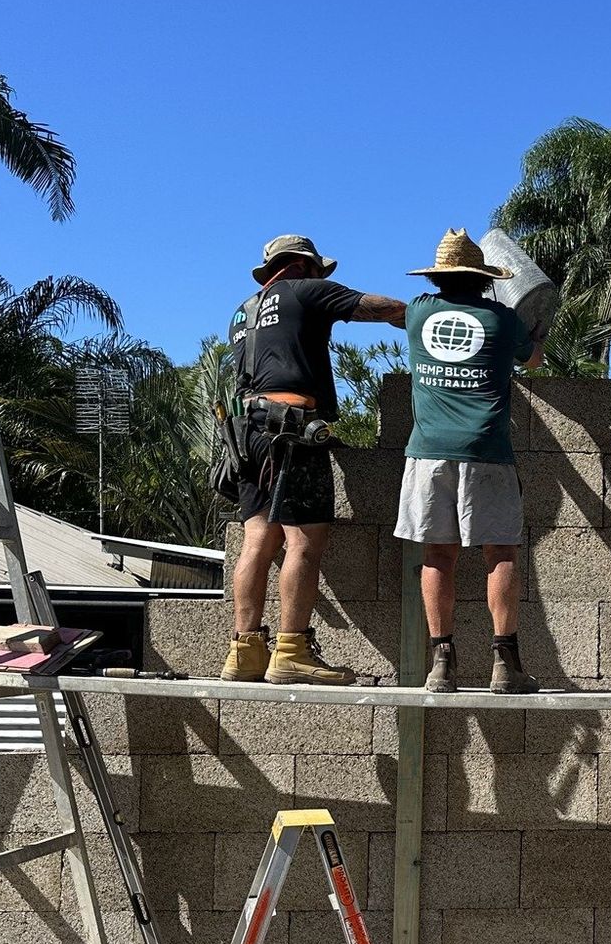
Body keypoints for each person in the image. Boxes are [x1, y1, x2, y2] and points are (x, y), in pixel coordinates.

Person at [221, 234, 406, 685]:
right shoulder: (305, 288)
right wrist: (425, 314)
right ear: (305, 265)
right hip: (291, 433)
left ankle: (244, 653)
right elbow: (377, 308)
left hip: (247, 434)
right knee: (304, 542)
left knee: (257, 544)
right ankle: (292, 651)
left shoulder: (243, 312)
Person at [394, 229, 544, 694]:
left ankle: (442, 663)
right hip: (488, 453)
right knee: (500, 553)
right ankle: (505, 663)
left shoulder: (419, 313)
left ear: (438, 278)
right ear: (483, 280)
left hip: (428, 452)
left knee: (438, 554)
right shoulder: (502, 320)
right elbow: (534, 360)